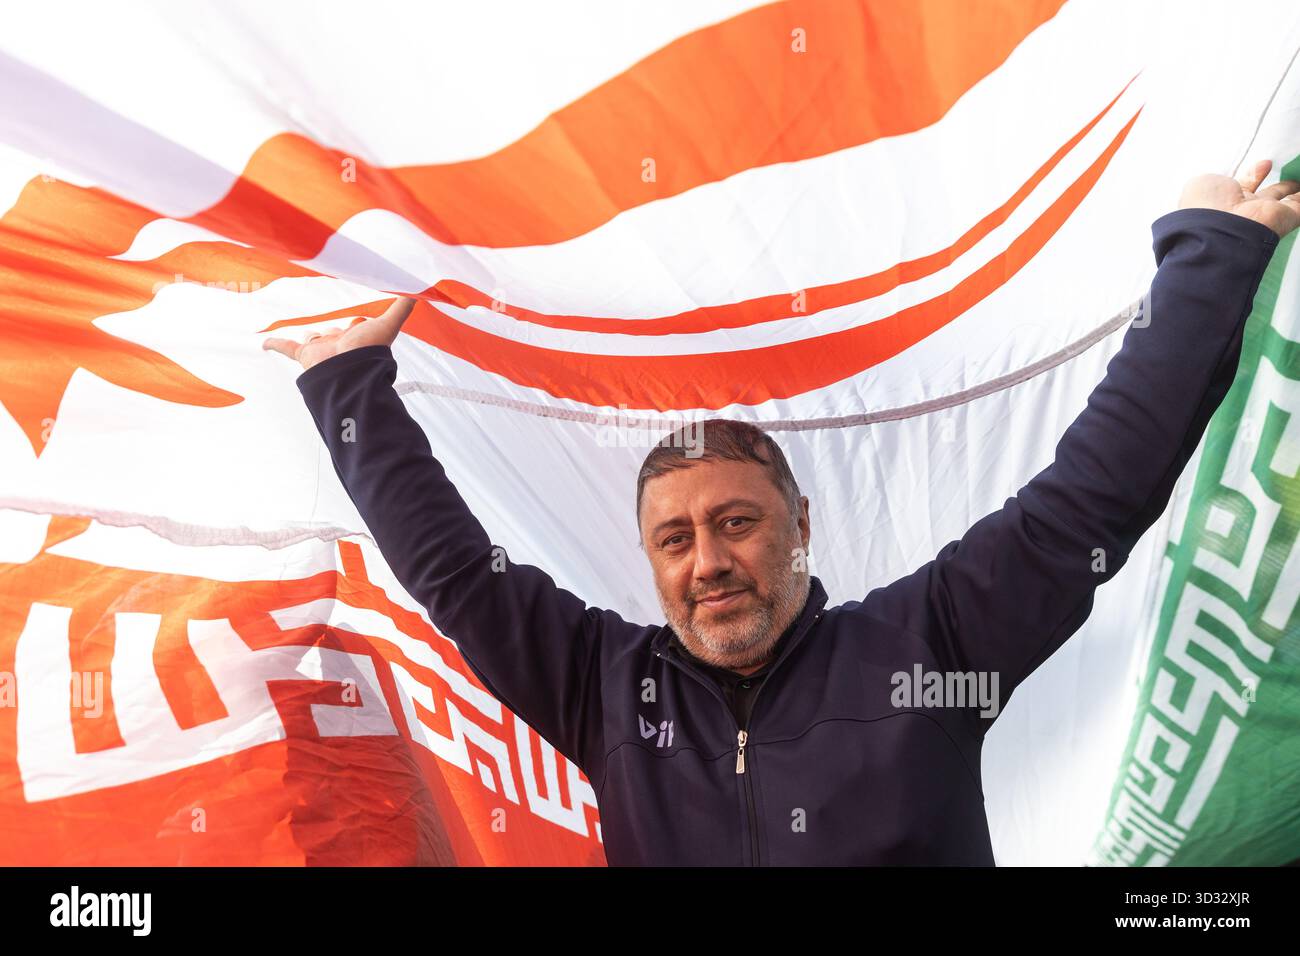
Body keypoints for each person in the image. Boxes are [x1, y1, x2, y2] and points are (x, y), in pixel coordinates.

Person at [265, 160, 1300, 865]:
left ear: (798, 523)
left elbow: (1094, 492)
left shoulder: (927, 643)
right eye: (674, 538)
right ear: (650, 560)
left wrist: (1209, 260)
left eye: (737, 521)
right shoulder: (597, 686)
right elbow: (451, 571)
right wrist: (350, 390)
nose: (708, 559)